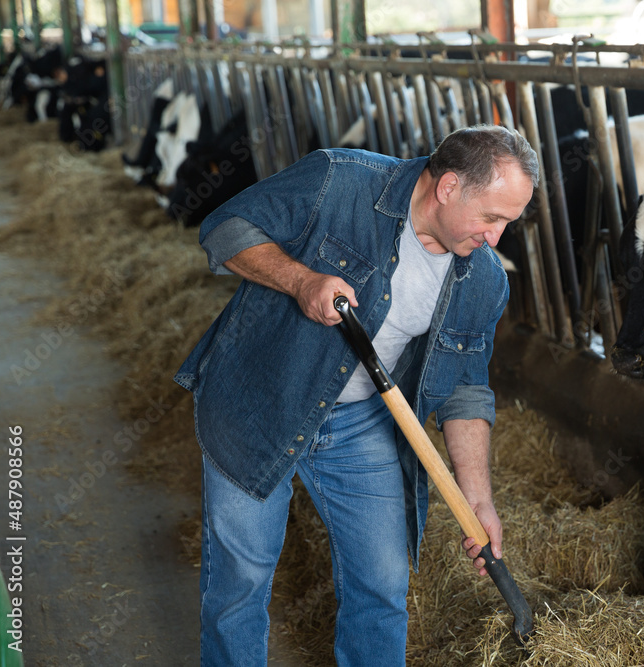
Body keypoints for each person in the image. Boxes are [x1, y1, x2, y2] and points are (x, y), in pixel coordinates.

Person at [174, 124, 538, 666]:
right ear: (447, 188)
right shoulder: (340, 181)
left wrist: (478, 500)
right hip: (260, 401)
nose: (497, 239)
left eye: (509, 221)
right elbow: (224, 228)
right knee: (240, 583)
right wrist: (300, 280)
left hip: (361, 422)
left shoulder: (483, 280)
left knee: (383, 583)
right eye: (491, 217)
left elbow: (464, 390)